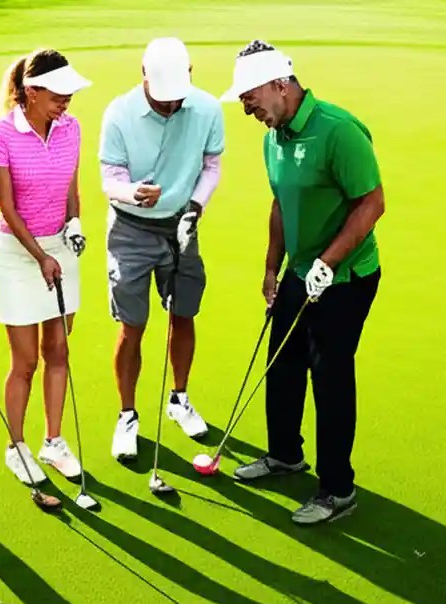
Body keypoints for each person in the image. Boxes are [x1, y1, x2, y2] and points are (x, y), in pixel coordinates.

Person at [221, 41, 385, 525]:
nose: (245, 106)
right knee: (283, 363)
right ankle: (285, 455)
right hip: (298, 274)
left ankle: (337, 490)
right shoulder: (274, 135)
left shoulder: (338, 131)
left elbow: (371, 204)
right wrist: (273, 268)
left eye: (249, 95)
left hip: (348, 277)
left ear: (279, 85)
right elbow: (279, 205)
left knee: (330, 378)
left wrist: (329, 263)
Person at [98, 37, 224, 466]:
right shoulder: (118, 112)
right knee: (132, 325)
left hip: (182, 225)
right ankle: (127, 415)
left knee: (183, 313)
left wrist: (194, 207)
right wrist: (132, 192)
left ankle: (179, 398)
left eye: (177, 97)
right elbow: (108, 178)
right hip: (131, 230)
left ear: (190, 75)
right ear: (143, 75)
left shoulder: (206, 108)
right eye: (162, 98)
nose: (170, 106)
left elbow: (211, 165)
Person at [0, 48, 90, 491]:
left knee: (59, 352)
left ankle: (53, 440)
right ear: (31, 90)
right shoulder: (1, 135)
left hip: (59, 248)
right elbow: (7, 208)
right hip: (17, 253)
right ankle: (16, 446)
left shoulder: (71, 129)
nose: (66, 100)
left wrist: (75, 223)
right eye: (58, 92)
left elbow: (71, 186)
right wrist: (40, 256)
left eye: (70, 92)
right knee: (25, 361)